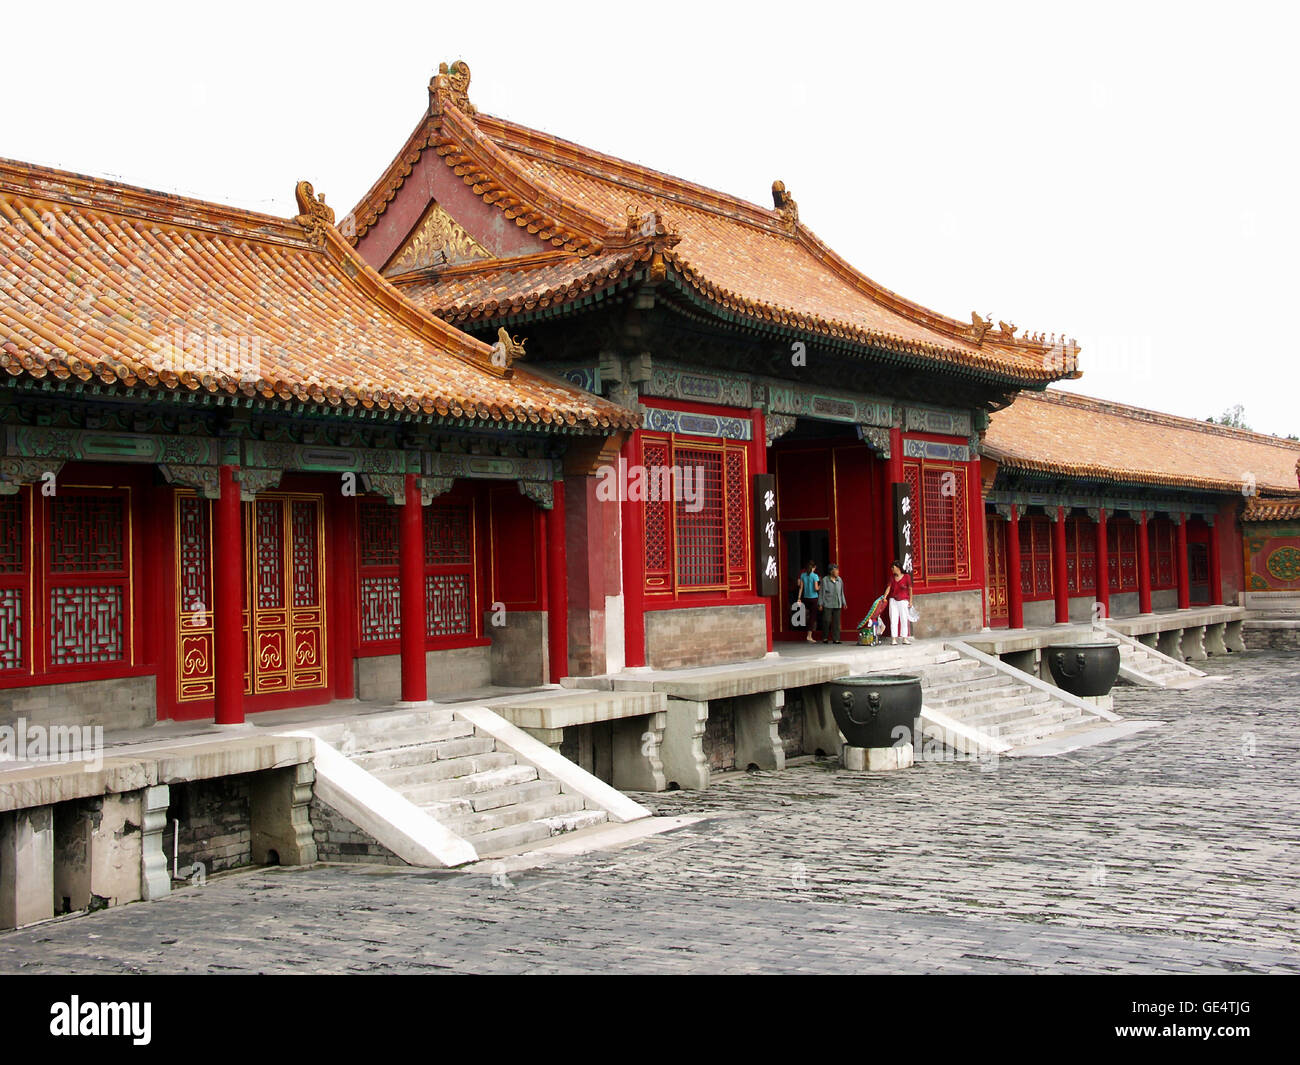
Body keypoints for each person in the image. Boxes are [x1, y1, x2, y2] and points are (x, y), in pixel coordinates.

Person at [882, 560, 913, 645]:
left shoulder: (907, 577)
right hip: (893, 600)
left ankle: (904, 638)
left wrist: (910, 601)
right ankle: (894, 639)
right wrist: (884, 596)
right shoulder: (892, 578)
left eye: (893, 567)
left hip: (903, 600)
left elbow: (910, 589)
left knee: (904, 619)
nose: (892, 569)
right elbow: (888, 588)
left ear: (898, 568)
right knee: (893, 619)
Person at [818, 563, 846, 644]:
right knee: (826, 620)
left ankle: (836, 639)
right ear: (831, 571)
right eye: (836, 570)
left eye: (838, 570)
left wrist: (844, 602)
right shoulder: (825, 580)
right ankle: (825, 637)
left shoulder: (839, 580)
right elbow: (821, 593)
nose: (838, 571)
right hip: (828, 603)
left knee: (836, 622)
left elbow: (841, 592)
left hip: (838, 603)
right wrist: (820, 604)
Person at [797, 561, 821, 642]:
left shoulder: (803, 575)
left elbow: (801, 588)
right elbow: (816, 588)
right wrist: (821, 585)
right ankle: (809, 636)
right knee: (812, 617)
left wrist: (799, 598)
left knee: (807, 615)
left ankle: (806, 632)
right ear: (814, 568)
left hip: (805, 598)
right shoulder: (815, 576)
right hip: (814, 598)